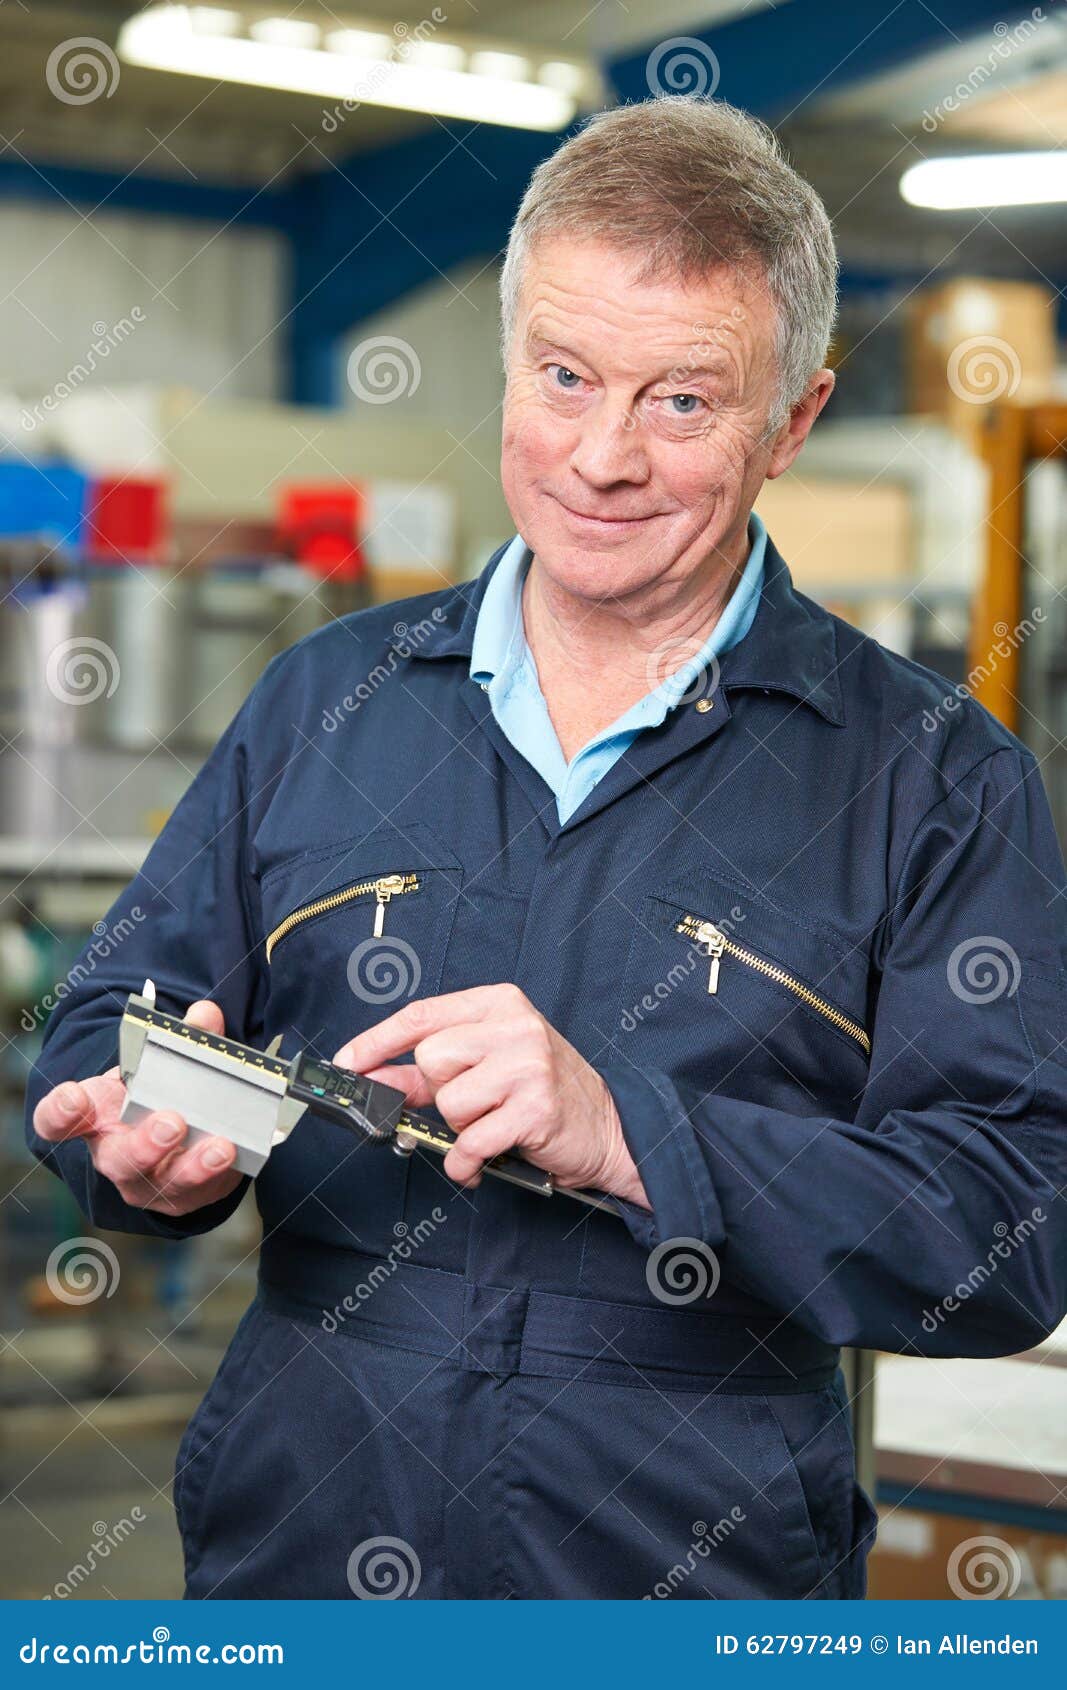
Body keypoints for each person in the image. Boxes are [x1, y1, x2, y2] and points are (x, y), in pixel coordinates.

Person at [27, 96, 1067, 1600]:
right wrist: (141, 1151)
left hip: (680, 1587)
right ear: (511, 358)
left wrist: (636, 1135)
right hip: (298, 1559)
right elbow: (101, 1025)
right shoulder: (330, 699)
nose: (600, 457)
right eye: (563, 376)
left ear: (794, 422)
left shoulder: (933, 779)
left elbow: (1010, 1230)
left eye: (683, 402)